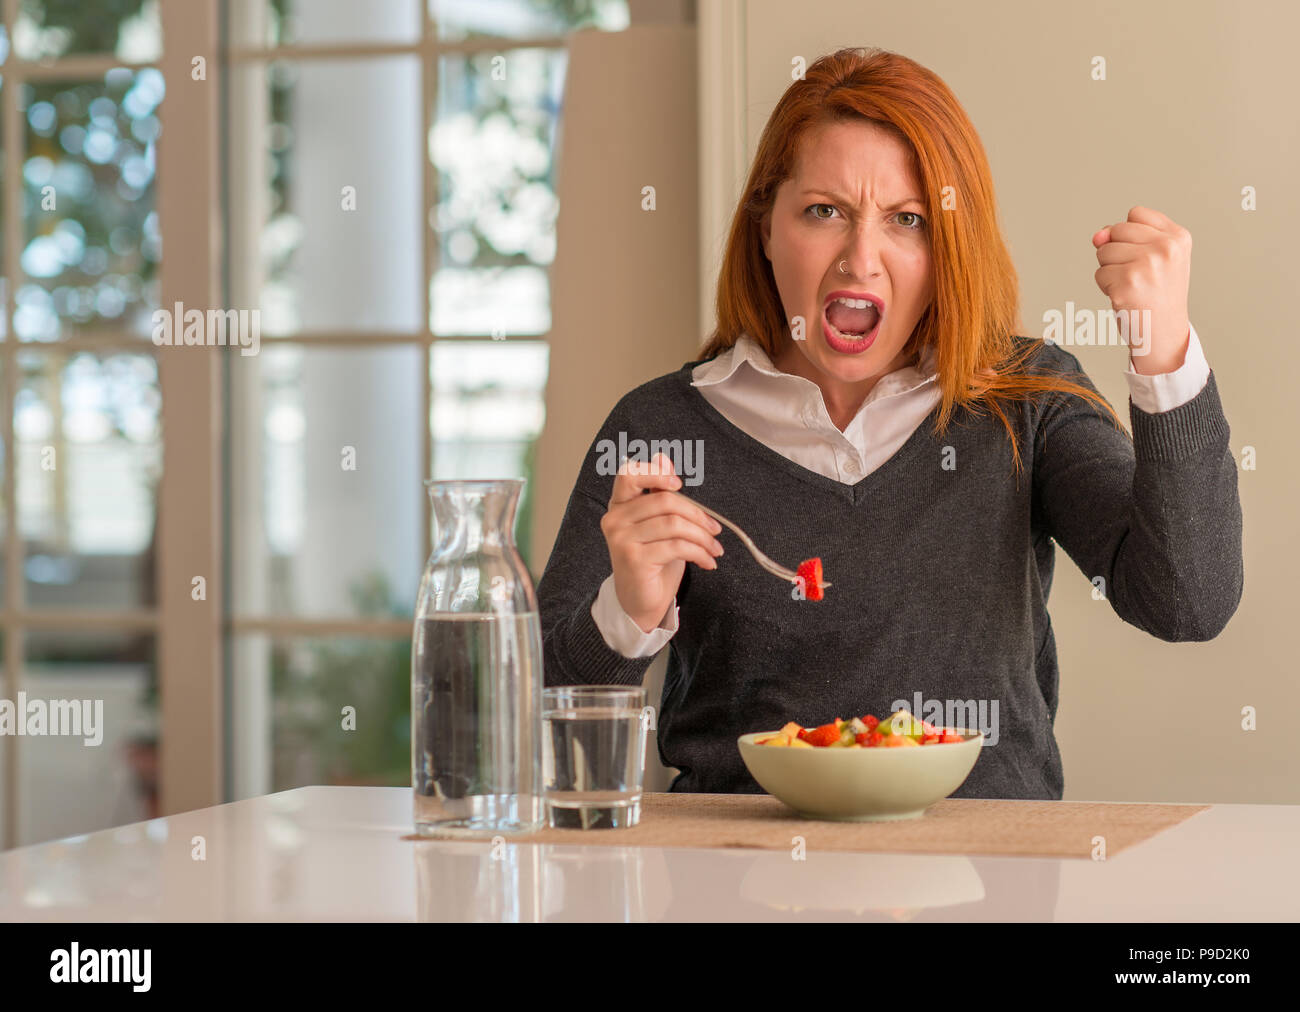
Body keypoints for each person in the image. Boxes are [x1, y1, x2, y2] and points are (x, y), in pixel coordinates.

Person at [535, 47, 1242, 799]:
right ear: (765, 227)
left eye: (907, 220)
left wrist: (1163, 349)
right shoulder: (660, 429)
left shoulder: (1025, 400)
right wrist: (626, 613)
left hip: (988, 886)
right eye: (824, 212)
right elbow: (538, 712)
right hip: (738, 879)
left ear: (948, 249)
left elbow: (1186, 601)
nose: (860, 260)